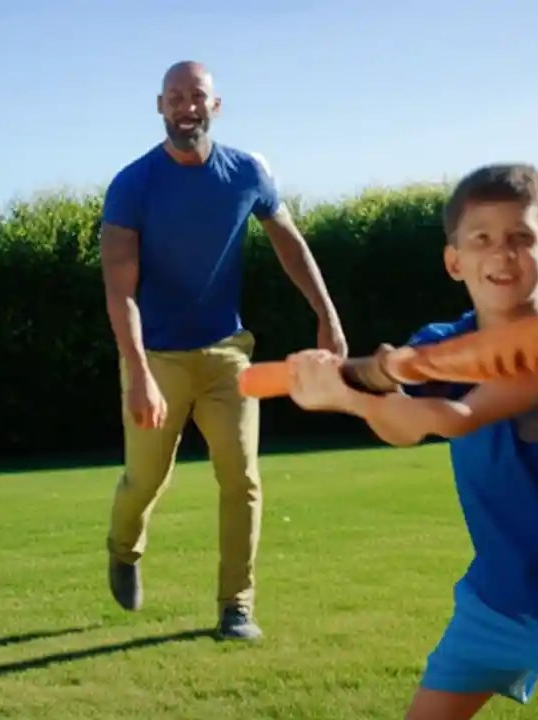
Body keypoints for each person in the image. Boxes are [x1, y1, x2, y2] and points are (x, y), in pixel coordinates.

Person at [284, 163, 538, 718]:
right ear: (454, 260)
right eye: (481, 239)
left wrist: (341, 397)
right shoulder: (437, 343)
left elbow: (457, 415)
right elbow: (401, 426)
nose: (501, 254)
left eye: (521, 238)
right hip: (495, 605)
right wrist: (358, 382)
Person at [97, 60, 347, 641]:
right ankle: (123, 548)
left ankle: (237, 607)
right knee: (145, 479)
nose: (187, 106)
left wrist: (327, 317)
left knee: (242, 476)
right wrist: (137, 373)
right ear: (160, 107)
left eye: (198, 96)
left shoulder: (247, 173)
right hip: (155, 357)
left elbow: (291, 245)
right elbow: (119, 291)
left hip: (226, 354)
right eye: (176, 97)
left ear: (216, 106)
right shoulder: (132, 185)